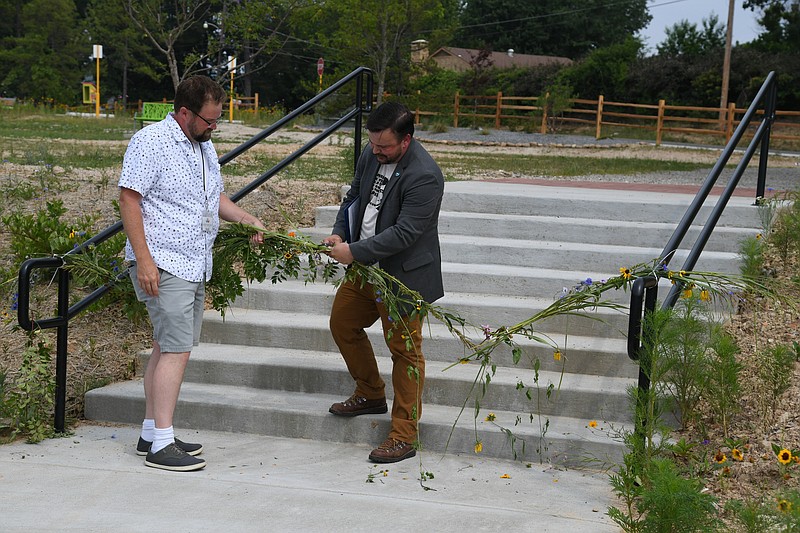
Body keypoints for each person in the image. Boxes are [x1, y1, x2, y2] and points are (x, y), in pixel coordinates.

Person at [119, 75, 265, 472]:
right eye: (209, 120)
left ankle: (152, 432)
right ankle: (162, 446)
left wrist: (247, 217)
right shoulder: (151, 141)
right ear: (185, 112)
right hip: (164, 261)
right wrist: (145, 261)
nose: (213, 127)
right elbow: (129, 199)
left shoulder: (203, 144)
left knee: (166, 346)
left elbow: (213, 197)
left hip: (193, 260)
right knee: (177, 349)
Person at [323, 101, 445, 463]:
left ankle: (404, 434)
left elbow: (405, 233)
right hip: (365, 266)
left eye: (384, 147)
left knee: (405, 352)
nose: (376, 152)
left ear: (406, 141)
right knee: (342, 323)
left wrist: (354, 252)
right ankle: (371, 392)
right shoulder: (371, 151)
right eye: (373, 146)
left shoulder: (425, 175)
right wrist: (339, 232)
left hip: (403, 276)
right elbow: (354, 196)